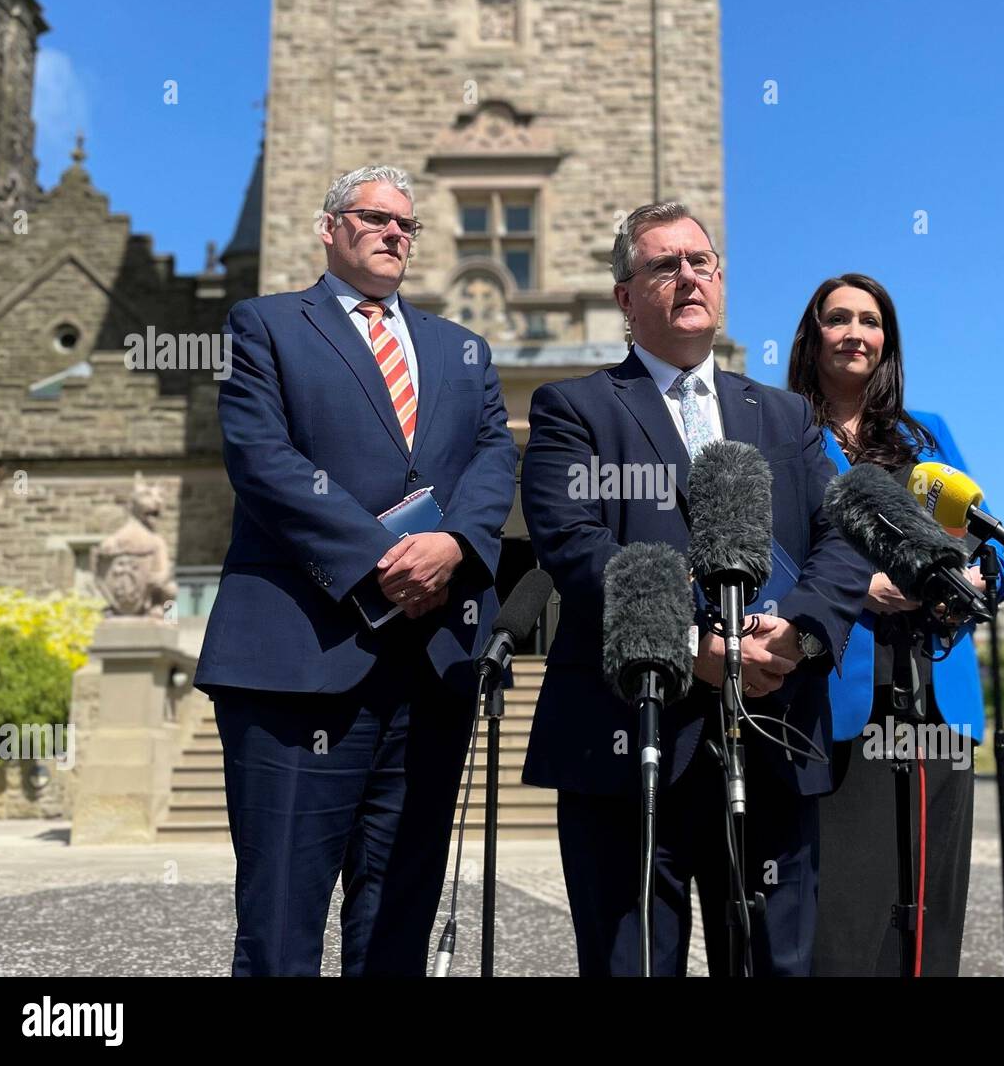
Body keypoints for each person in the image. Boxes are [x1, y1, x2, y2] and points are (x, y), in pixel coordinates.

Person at [519, 203, 871, 976]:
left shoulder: (786, 416)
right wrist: (689, 646)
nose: (688, 278)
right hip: (629, 738)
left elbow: (844, 536)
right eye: (663, 265)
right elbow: (575, 548)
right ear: (624, 297)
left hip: (773, 735)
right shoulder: (572, 409)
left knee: (777, 964)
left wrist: (802, 631)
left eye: (701, 262)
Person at [194, 165, 518, 976]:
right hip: (298, 661)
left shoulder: (462, 349)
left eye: (407, 225)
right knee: (280, 922)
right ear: (330, 227)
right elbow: (262, 461)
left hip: (431, 670)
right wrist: (381, 560)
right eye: (375, 218)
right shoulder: (263, 325)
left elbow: (493, 456)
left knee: (396, 917)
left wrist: (452, 545)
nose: (393, 234)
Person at [787, 273, 1004, 976]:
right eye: (839, 319)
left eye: (872, 320)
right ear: (813, 333)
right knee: (845, 923)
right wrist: (861, 587)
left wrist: (979, 578)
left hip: (938, 695)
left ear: (887, 340)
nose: (857, 332)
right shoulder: (781, 433)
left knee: (929, 924)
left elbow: (992, 547)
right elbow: (772, 564)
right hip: (837, 697)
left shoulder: (928, 434)